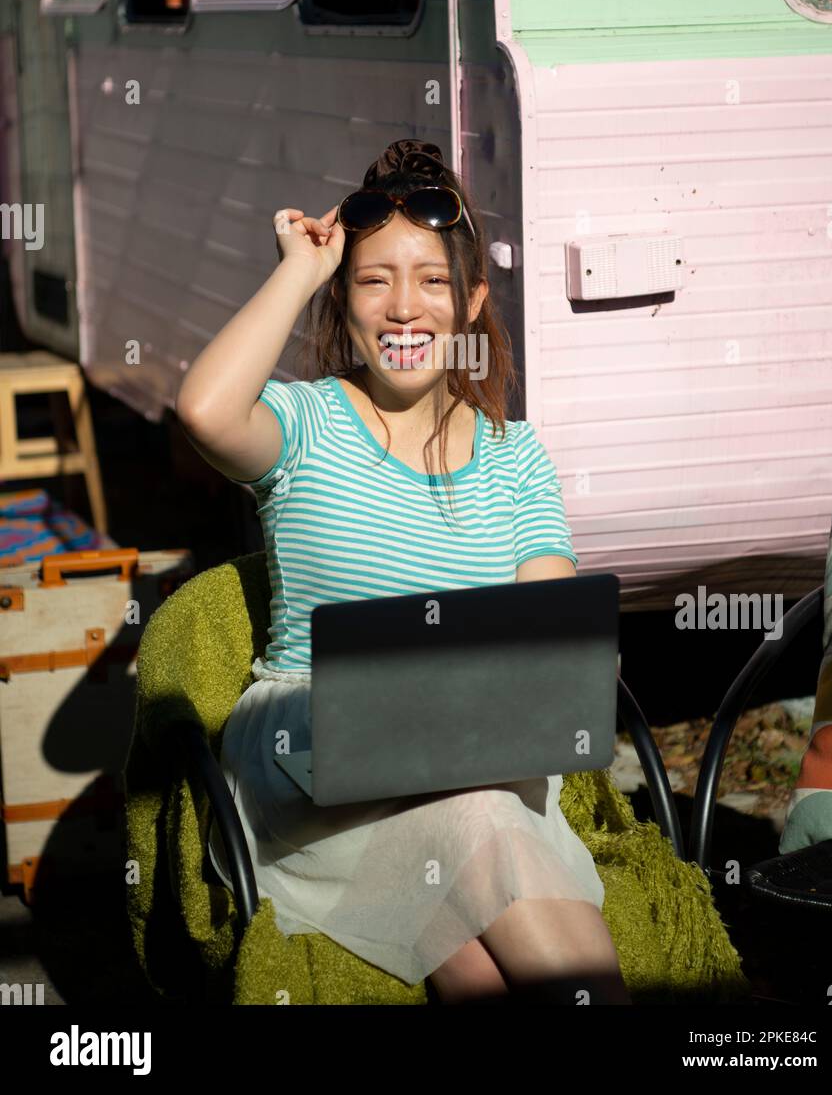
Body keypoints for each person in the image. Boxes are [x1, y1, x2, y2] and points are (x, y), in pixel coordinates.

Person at [175, 138, 630, 1005]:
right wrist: (299, 271)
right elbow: (203, 409)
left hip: (462, 753)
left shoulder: (514, 454)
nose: (403, 308)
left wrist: (578, 666)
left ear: (471, 303)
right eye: (373, 279)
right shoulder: (303, 423)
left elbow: (549, 627)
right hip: (308, 751)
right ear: (342, 300)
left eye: (430, 281)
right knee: (483, 823)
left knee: (472, 955)